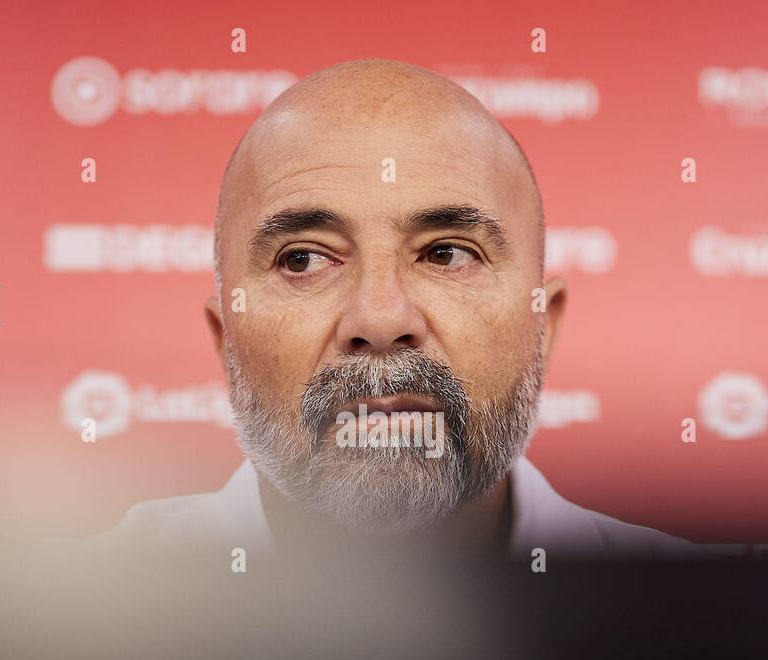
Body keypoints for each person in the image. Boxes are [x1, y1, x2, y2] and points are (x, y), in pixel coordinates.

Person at [84, 59, 696, 563]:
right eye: (303, 260)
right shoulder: (58, 632)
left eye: (447, 254)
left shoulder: (711, 623)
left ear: (544, 325)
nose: (379, 321)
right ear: (227, 340)